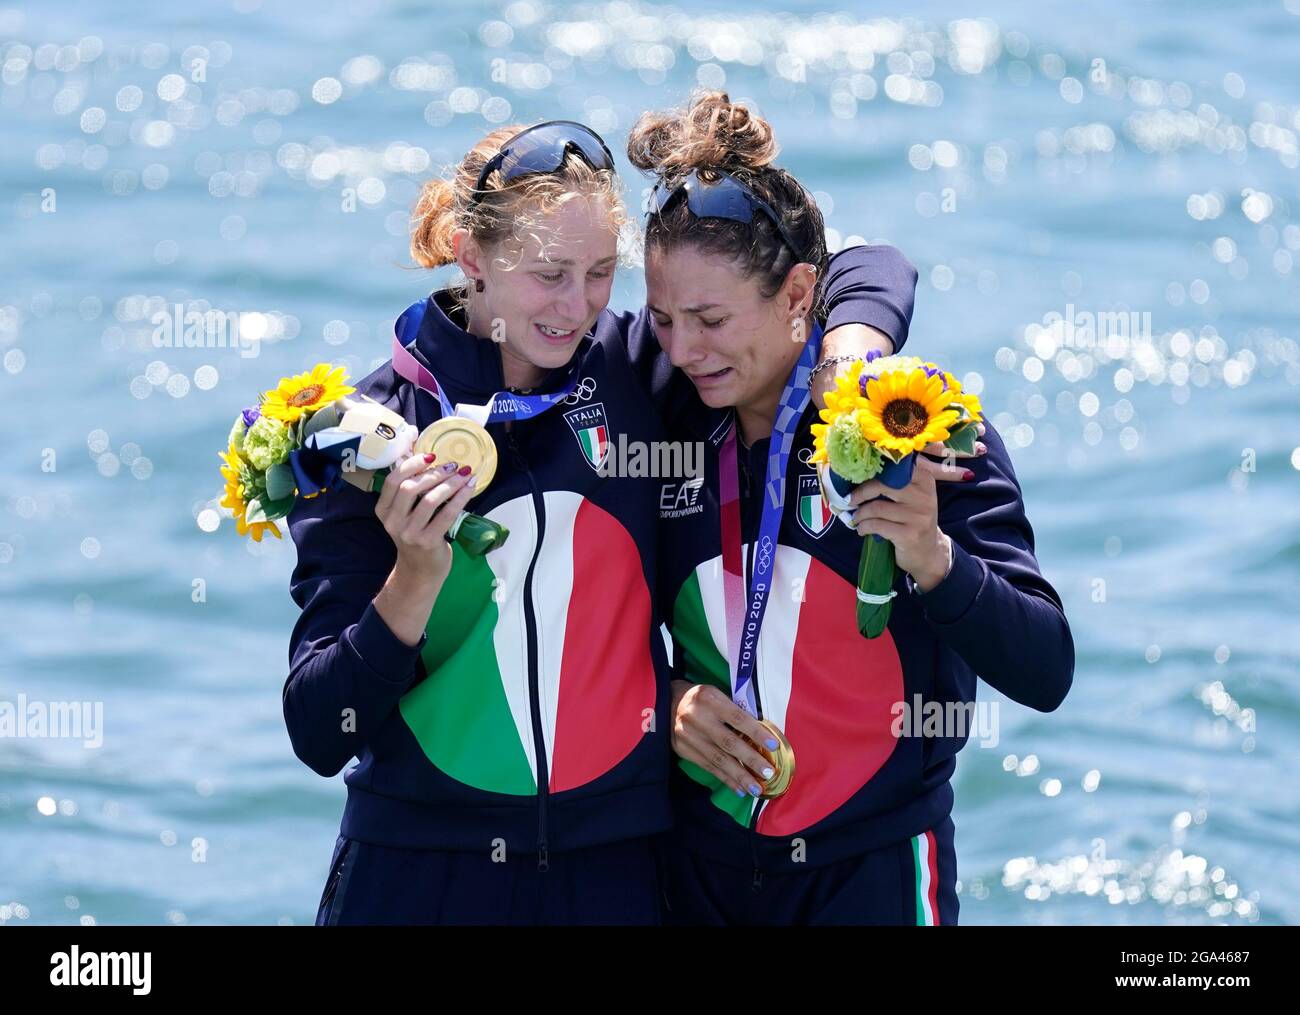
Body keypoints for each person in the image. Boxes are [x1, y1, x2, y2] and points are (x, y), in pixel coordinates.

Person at [282, 117, 922, 924]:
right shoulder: (372, 436)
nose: (577, 306)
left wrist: (852, 349)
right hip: (420, 870)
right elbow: (318, 727)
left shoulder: (635, 372)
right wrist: (411, 580)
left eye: (597, 275)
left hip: (614, 871)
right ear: (470, 256)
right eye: (550, 274)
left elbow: (870, 264)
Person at [630, 92, 1075, 925]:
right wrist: (669, 702)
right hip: (693, 871)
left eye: (711, 319)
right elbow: (581, 621)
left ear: (801, 291)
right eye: (661, 318)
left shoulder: (911, 423)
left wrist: (935, 559)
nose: (684, 348)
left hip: (869, 873)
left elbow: (1046, 667)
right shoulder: (659, 400)